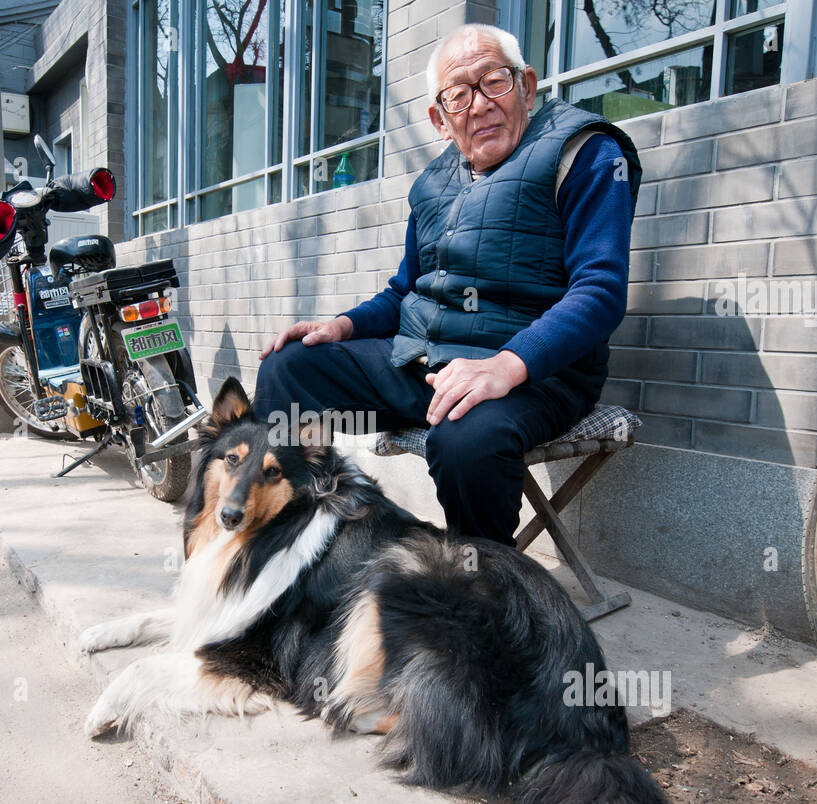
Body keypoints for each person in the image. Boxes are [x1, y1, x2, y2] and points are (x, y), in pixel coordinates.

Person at [253, 23, 642, 546]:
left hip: (533, 378)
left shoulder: (586, 151)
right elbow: (403, 292)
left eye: (493, 83)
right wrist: (344, 326)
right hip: (421, 370)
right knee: (290, 368)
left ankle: (487, 591)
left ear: (526, 86)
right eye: (459, 95)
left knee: (467, 442)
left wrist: (504, 366)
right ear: (440, 119)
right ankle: (293, 540)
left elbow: (599, 292)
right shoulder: (432, 182)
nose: (478, 105)